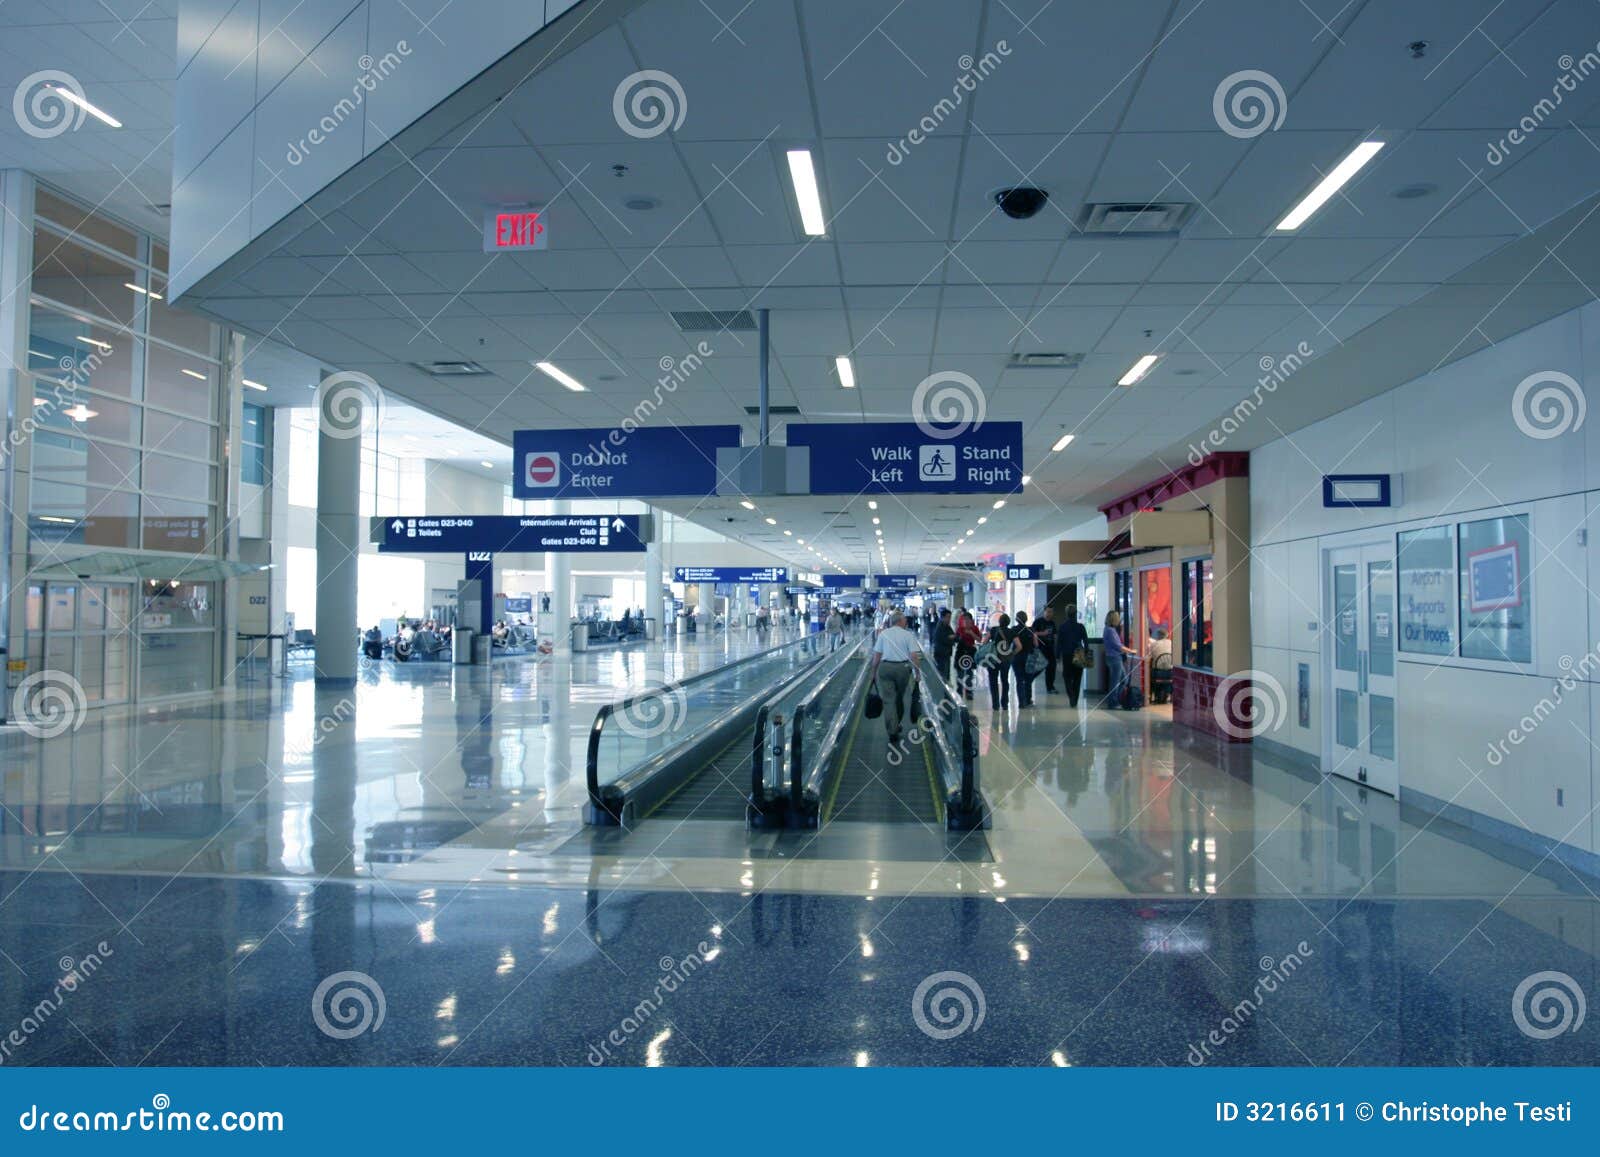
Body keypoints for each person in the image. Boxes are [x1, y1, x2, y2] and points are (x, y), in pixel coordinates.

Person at [869, 611, 923, 744]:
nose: (906, 621)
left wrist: (873, 672)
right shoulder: (907, 635)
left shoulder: (884, 634)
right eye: (905, 619)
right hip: (902, 669)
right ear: (899, 621)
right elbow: (914, 656)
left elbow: (877, 656)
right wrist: (917, 673)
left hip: (885, 668)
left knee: (888, 700)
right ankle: (896, 725)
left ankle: (892, 729)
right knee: (899, 698)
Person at [1103, 610, 1138, 709]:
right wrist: (1131, 651)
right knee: (1116, 682)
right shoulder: (1110, 630)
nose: (1119, 620)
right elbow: (1118, 646)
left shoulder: (1110, 629)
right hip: (1114, 659)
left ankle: (1116, 700)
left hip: (1114, 658)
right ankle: (1113, 703)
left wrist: (1128, 650)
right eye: (1118, 617)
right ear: (1114, 619)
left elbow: (1119, 645)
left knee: (1123, 680)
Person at [1056, 605, 1090, 708]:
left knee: (1067, 676)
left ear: (1066, 614)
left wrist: (1057, 655)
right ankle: (1074, 698)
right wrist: (1086, 652)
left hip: (1067, 654)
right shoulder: (1080, 627)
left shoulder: (1062, 627)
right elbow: (1086, 641)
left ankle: (1071, 695)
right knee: (1077, 677)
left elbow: (1059, 643)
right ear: (1076, 614)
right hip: (1079, 653)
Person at [985, 612, 1012, 710]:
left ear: (999, 621)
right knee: (1005, 680)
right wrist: (1012, 654)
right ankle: (1004, 704)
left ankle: (995, 704)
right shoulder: (1011, 632)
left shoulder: (993, 630)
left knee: (993, 681)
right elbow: (1019, 646)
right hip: (1006, 660)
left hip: (993, 659)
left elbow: (985, 641)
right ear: (1008, 622)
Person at [1012, 610, 1039, 708]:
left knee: (1019, 680)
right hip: (1029, 657)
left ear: (1016, 619)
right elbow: (1036, 644)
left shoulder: (1013, 630)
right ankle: (1028, 700)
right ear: (1026, 619)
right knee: (1028, 679)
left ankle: (1021, 703)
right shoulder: (1031, 630)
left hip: (1017, 657)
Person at [953, 610, 981, 700]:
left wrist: (971, 633)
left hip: (970, 651)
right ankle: (959, 691)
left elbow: (979, 639)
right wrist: (957, 638)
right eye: (964, 620)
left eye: (967, 620)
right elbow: (955, 639)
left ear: (971, 620)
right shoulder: (960, 629)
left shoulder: (975, 628)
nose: (965, 621)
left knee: (969, 673)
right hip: (961, 651)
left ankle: (969, 692)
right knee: (960, 673)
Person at [1037, 606, 1057, 693]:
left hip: (1050, 648)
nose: (1049, 614)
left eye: (1051, 612)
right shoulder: (1038, 622)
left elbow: (1055, 635)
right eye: (1048, 612)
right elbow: (1032, 633)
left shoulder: (1052, 623)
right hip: (1041, 649)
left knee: (1052, 667)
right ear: (1044, 612)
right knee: (1038, 668)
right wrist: (1043, 633)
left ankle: (1050, 687)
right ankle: (1028, 683)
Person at [932, 608, 956, 682]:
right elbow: (944, 639)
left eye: (950, 617)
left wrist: (952, 637)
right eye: (947, 617)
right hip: (941, 654)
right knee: (943, 675)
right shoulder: (940, 627)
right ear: (942, 617)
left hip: (946, 654)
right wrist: (950, 637)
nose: (949, 619)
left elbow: (954, 636)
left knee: (946, 674)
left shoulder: (947, 626)